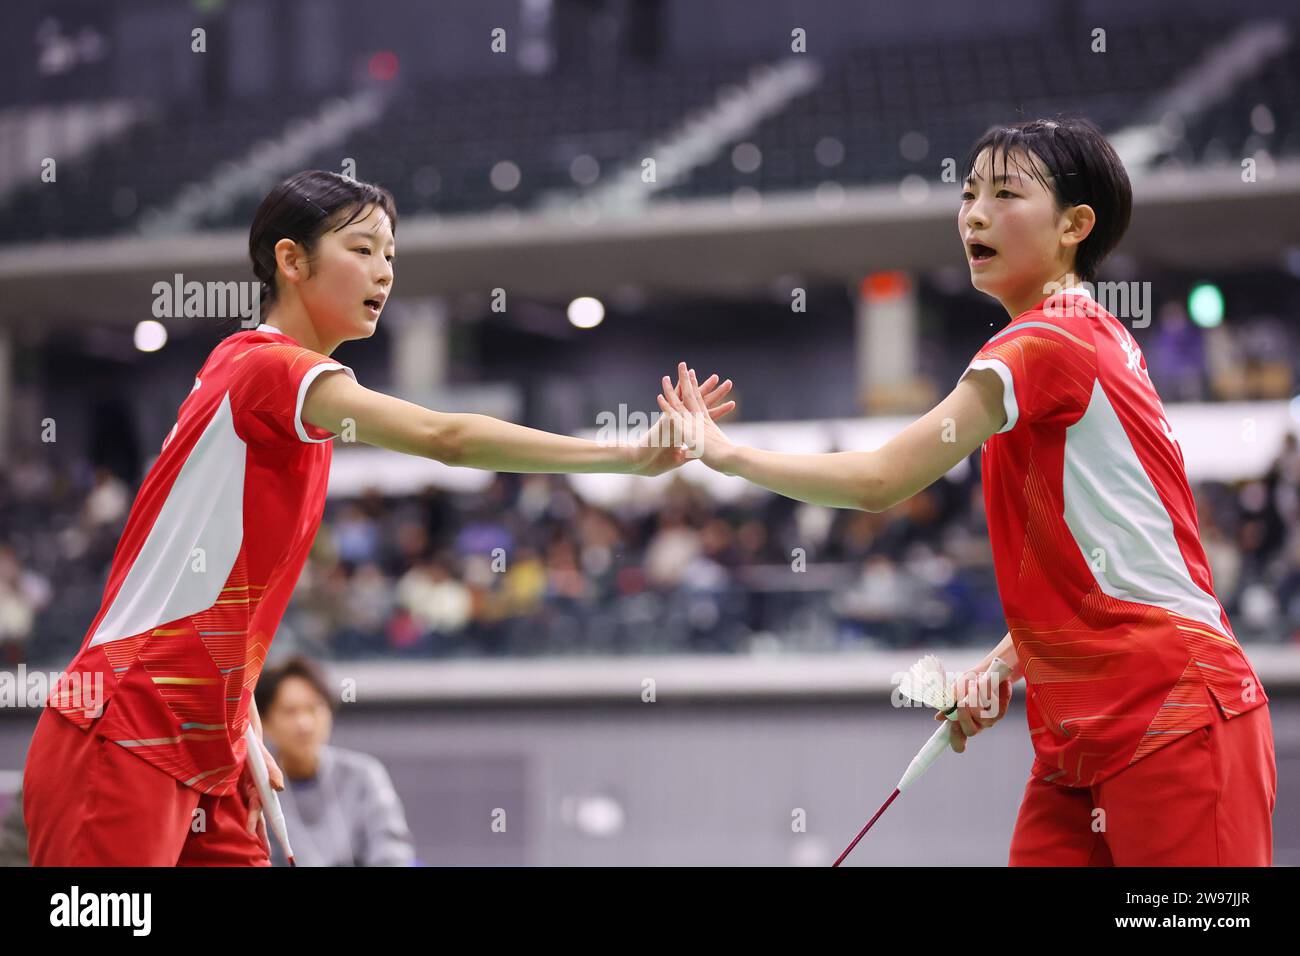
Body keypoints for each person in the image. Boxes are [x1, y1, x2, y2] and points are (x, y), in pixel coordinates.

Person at [22, 169, 735, 866]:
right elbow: (446, 438)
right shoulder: (266, 368)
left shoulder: (271, 399)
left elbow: (195, 582)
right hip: (126, 722)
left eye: (390, 255)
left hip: (207, 741)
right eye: (361, 250)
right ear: (291, 259)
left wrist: (235, 712)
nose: (384, 273)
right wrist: (626, 456)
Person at [659, 118, 1275, 866]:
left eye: (1006, 195)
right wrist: (1005, 663)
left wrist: (726, 454)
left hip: (1173, 711)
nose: (975, 215)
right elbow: (1113, 562)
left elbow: (881, 481)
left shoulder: (1047, 341)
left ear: (1074, 226)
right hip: (1076, 738)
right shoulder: (1093, 336)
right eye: (969, 194)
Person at [255, 656, 413, 866]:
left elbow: (392, 851)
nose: (305, 724)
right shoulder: (257, 787)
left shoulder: (364, 776)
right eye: (290, 712)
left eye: (314, 708)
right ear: (264, 722)